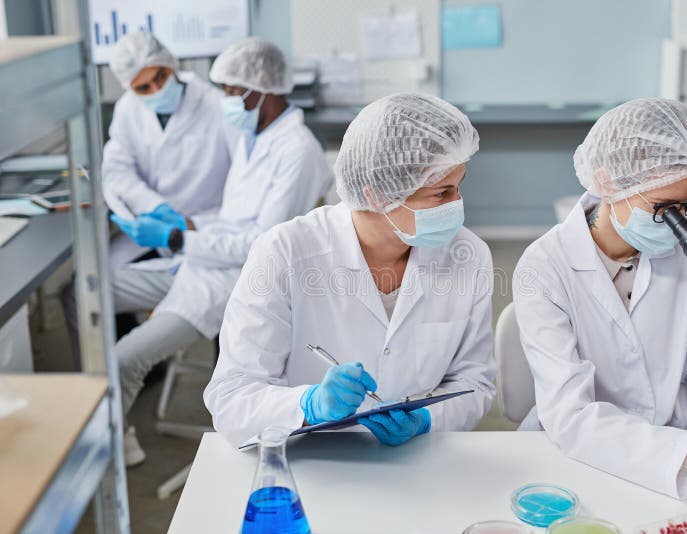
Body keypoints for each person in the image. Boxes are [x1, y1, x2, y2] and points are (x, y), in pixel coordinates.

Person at [513, 98, 687, 499]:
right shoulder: (544, 267)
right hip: (581, 454)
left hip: (682, 441)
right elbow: (571, 415)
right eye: (665, 208)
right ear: (609, 183)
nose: (682, 219)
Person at [204, 93, 496, 448]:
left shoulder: (469, 255)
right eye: (441, 193)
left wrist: (426, 419)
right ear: (377, 195)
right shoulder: (285, 253)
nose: (458, 204)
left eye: (459, 187)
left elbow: (474, 383)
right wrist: (310, 405)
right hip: (312, 458)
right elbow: (232, 399)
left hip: (419, 460)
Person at [111, 38, 333, 466]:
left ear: (261, 90)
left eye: (231, 91)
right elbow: (234, 218)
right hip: (200, 260)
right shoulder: (253, 137)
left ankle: (105, 467)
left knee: (124, 360)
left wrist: (177, 238)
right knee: (91, 292)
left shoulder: (297, 151)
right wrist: (187, 227)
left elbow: (261, 244)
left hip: (231, 281)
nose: (225, 101)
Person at [102, 31, 235, 267]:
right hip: (150, 230)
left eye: (161, 76)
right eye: (143, 88)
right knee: (96, 280)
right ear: (130, 88)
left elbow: (243, 182)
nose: (157, 90)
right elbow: (116, 170)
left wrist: (187, 224)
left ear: (171, 64)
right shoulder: (128, 109)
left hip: (207, 228)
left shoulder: (216, 106)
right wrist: (154, 206)